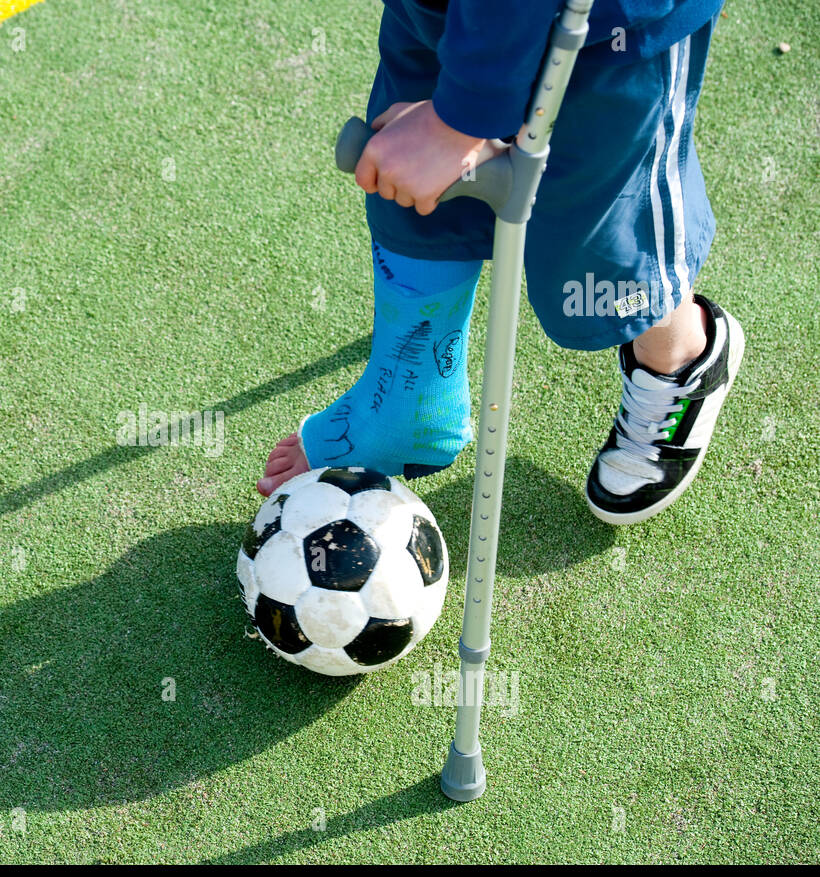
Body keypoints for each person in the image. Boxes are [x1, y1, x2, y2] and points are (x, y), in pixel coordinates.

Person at [257, 0, 742, 525]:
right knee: (407, 175)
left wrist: (458, 122)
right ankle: (409, 394)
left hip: (606, 31)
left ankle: (682, 355)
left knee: (600, 258)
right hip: (445, 13)